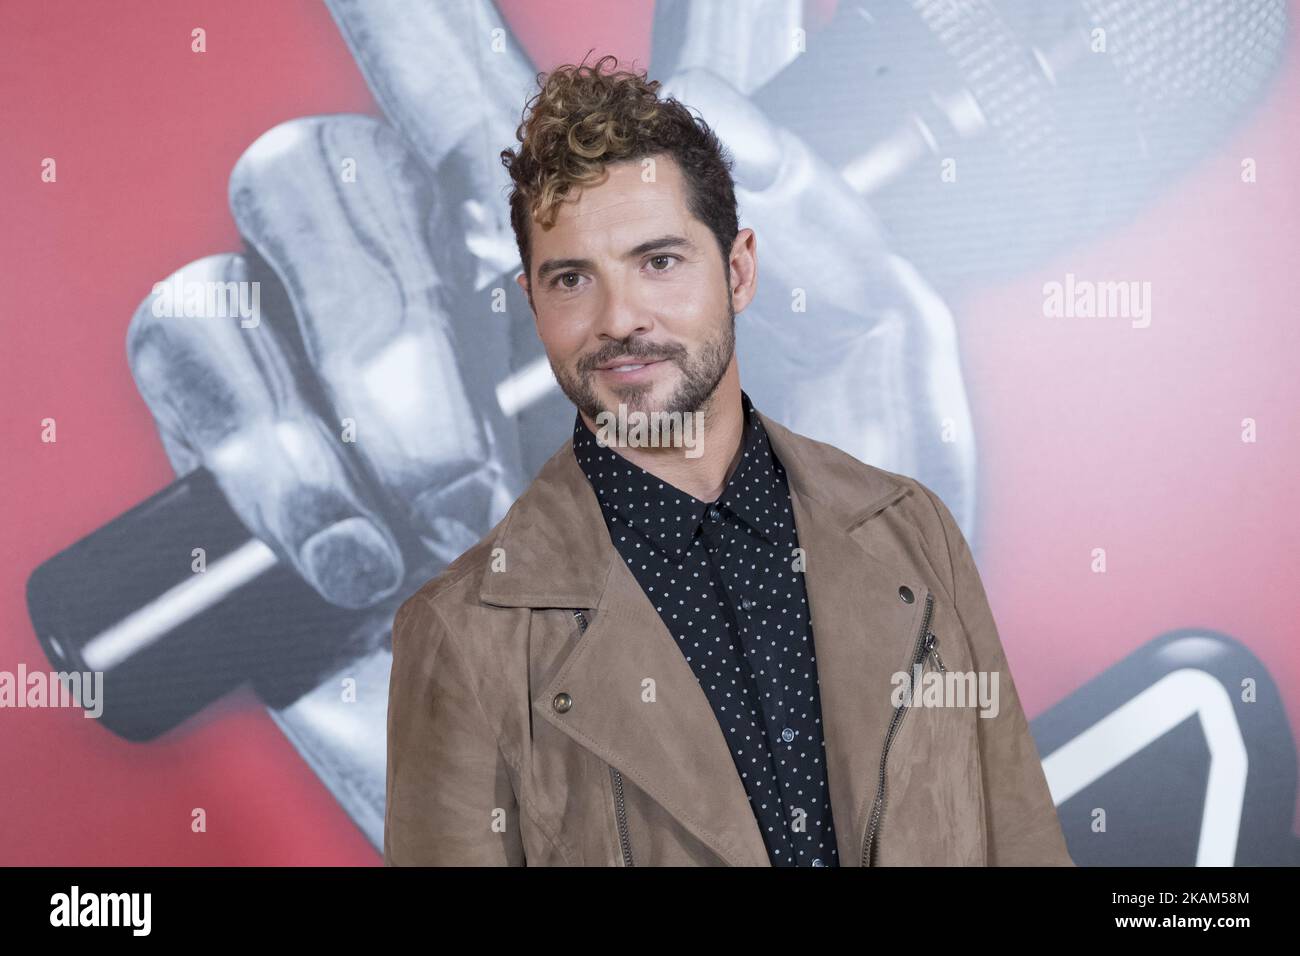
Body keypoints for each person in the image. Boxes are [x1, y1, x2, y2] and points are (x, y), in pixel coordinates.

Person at [384, 54, 1073, 867]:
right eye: (572, 279)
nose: (621, 318)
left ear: (739, 270)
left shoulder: (913, 531)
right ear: (533, 306)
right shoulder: (460, 637)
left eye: (659, 261)